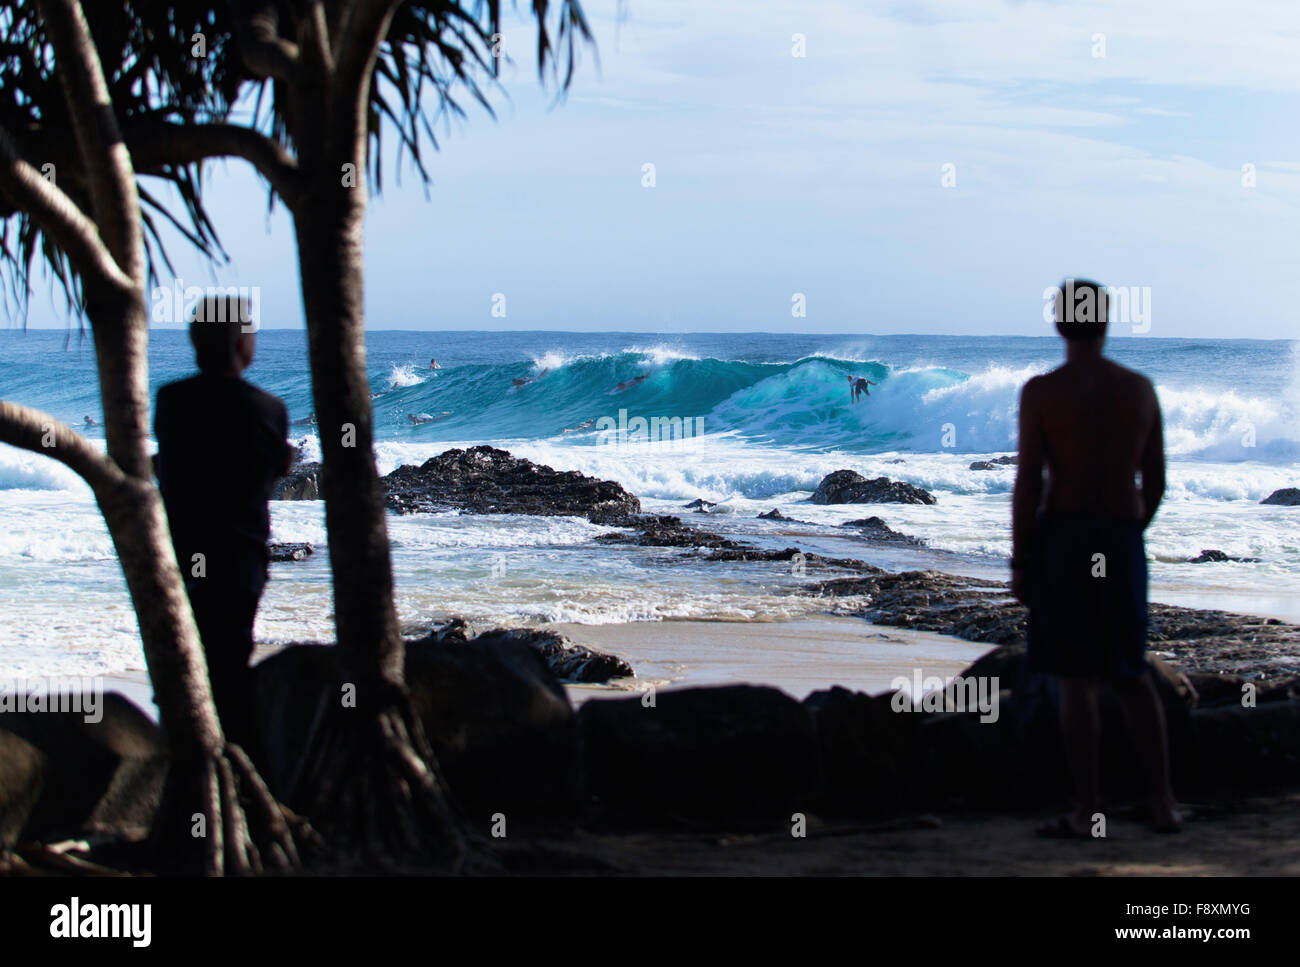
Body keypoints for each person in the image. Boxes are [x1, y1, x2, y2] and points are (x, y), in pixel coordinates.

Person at [1011, 278, 1179, 838]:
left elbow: (1028, 483)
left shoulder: (1042, 392)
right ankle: (1162, 806)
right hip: (1121, 536)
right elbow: (1155, 481)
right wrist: (1128, 531)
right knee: (1130, 675)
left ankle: (1089, 811)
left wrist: (1022, 557)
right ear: (1106, 324)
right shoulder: (1139, 389)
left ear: (1060, 325)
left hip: (1063, 538)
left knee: (1076, 680)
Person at [154, 294, 292, 759]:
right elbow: (267, 474)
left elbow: (172, 465)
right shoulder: (267, 409)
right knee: (230, 661)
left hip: (180, 552)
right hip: (240, 558)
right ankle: (230, 763)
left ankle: (185, 755)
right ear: (239, 343)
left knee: (188, 658)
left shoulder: (172, 401)